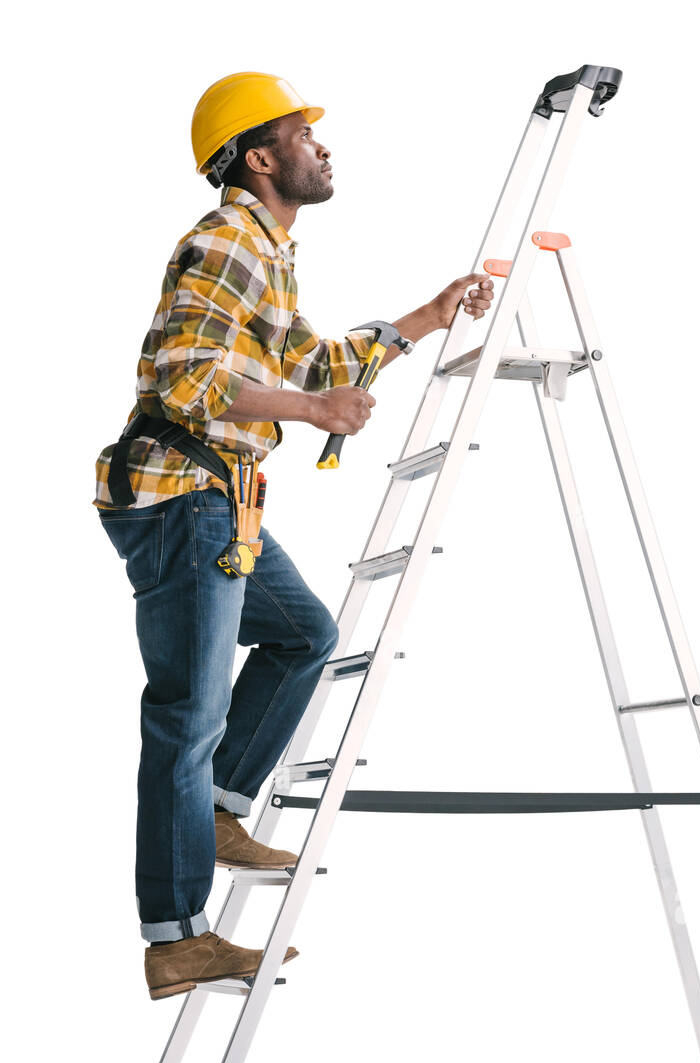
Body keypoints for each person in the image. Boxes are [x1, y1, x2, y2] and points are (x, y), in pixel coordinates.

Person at [94, 72, 494, 1000]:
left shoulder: (267, 252)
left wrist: (426, 320)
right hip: (183, 497)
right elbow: (186, 379)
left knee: (304, 635)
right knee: (185, 718)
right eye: (302, 135)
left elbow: (310, 358)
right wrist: (310, 408)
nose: (323, 147)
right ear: (259, 157)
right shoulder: (228, 239)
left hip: (218, 502)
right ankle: (176, 937)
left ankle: (221, 814)